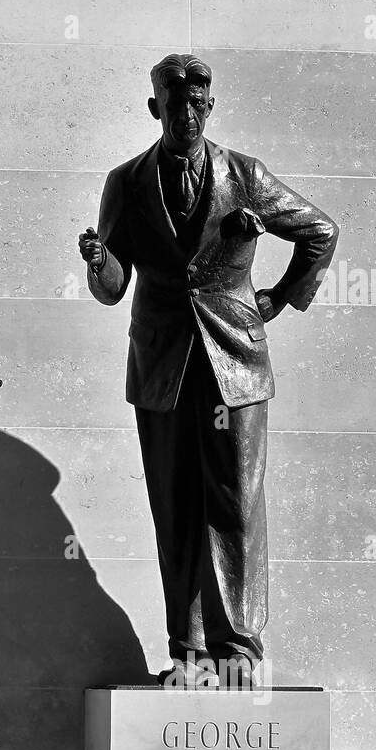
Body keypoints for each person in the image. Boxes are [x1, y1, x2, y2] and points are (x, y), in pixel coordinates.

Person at [78, 53, 339, 689]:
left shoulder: (244, 175)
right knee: (176, 504)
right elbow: (115, 287)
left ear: (211, 108)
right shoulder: (126, 183)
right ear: (155, 109)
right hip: (165, 366)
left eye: (199, 103)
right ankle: (189, 651)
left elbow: (320, 232)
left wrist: (276, 301)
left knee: (236, 502)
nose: (188, 114)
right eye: (176, 103)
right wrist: (96, 263)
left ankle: (239, 648)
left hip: (235, 362)